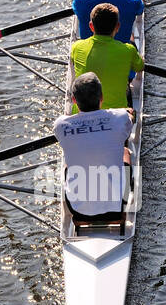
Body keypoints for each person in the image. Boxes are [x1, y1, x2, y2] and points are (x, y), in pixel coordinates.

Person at [54, 73, 134, 222]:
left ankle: (80, 217)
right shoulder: (120, 117)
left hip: (77, 209)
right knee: (125, 152)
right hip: (115, 209)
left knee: (67, 164)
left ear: (74, 100)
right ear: (101, 97)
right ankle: (121, 214)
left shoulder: (60, 125)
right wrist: (127, 112)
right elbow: (128, 120)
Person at [70, 3, 143, 111]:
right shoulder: (128, 50)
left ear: (91, 26)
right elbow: (140, 67)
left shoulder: (76, 47)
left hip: (81, 112)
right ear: (117, 27)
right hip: (117, 114)